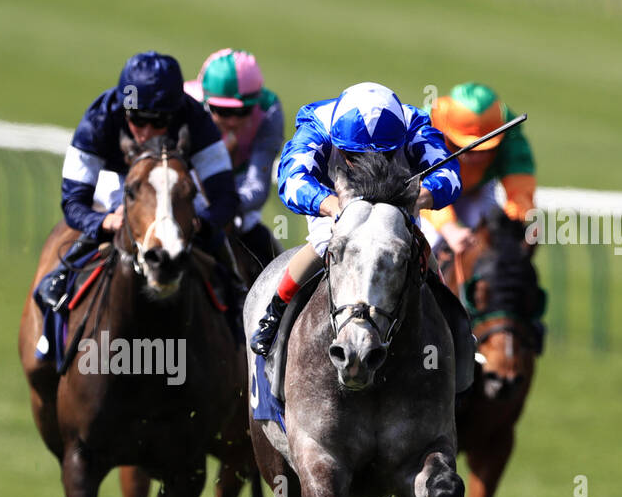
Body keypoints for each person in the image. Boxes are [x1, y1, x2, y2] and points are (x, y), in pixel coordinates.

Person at [248, 81, 461, 357]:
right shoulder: (318, 124)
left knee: (413, 244)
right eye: (353, 156)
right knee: (326, 239)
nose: (366, 164)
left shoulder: (413, 126)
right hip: (336, 200)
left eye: (382, 155)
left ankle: (448, 322)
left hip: (395, 201)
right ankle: (275, 311)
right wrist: (335, 206)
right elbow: (292, 180)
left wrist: (418, 198)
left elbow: (450, 176)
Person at [36, 51, 239, 310]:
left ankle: (236, 287)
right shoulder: (98, 120)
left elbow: (225, 196)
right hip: (117, 182)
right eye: (138, 120)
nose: (146, 133)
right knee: (112, 206)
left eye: (159, 122)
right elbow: (73, 201)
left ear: (176, 112)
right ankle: (60, 279)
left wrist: (204, 224)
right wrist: (103, 221)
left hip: (171, 185)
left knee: (204, 222)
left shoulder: (196, 119)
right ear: (124, 110)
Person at [420, 82, 535, 275]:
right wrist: (449, 228)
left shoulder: (509, 129)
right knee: (430, 241)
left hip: (476, 191)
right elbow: (426, 187)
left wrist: (515, 226)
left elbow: (520, 185)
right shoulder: (429, 123)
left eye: (487, 149)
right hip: (427, 194)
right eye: (468, 149)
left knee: (495, 240)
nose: (478, 157)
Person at [184, 48, 284, 266]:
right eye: (222, 111)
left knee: (268, 253)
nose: (232, 122)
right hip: (186, 185)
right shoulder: (185, 104)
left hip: (235, 189)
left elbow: (257, 186)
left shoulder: (269, 112)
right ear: (205, 100)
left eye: (243, 112)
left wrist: (225, 207)